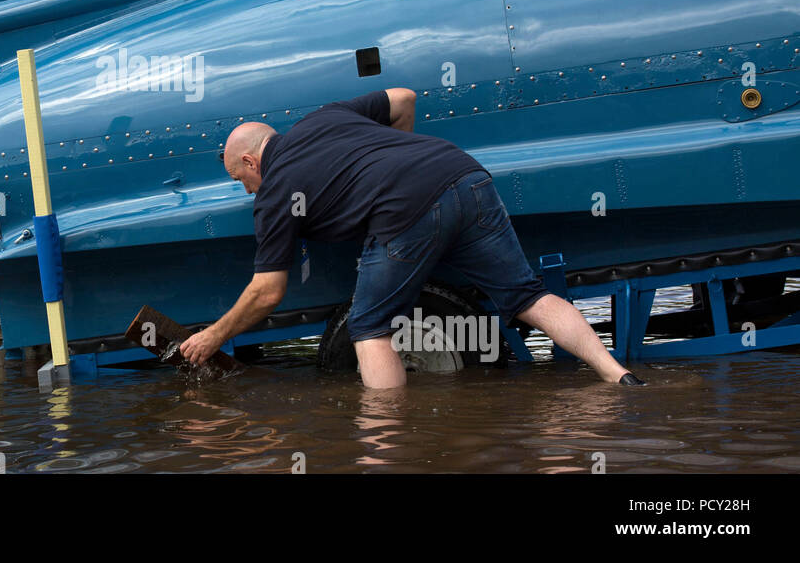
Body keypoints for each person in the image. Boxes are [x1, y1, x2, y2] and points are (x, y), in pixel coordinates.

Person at [181, 88, 646, 389]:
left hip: (406, 214)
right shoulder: (324, 117)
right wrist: (400, 159)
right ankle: (618, 377)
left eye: (241, 181)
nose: (247, 191)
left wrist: (213, 336)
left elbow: (268, 291)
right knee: (527, 295)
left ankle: (390, 443)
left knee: (369, 329)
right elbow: (404, 98)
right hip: (463, 175)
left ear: (250, 163)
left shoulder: (275, 190)